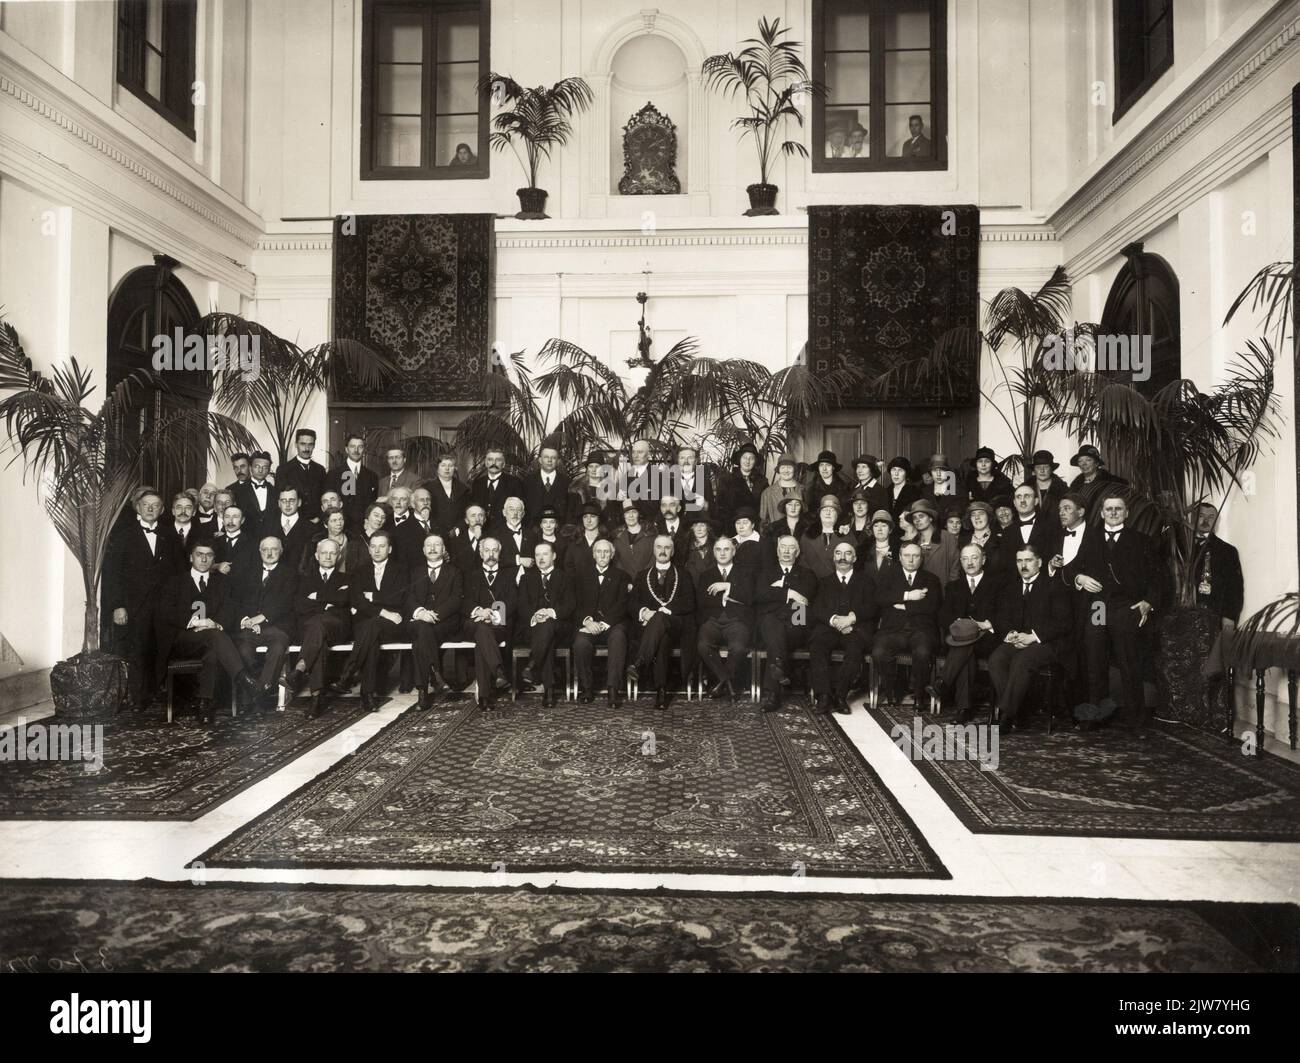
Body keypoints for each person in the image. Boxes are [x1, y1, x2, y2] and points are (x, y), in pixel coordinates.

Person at [1069, 494, 1158, 730]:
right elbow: (1072, 569)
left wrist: (1148, 602)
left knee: (1129, 662)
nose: (1114, 512)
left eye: (1118, 509)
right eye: (1109, 509)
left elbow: (1159, 578)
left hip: (1124, 607)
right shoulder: (1091, 538)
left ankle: (1136, 721)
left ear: (1127, 513)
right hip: (1098, 606)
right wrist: (1080, 577)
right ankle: (1094, 716)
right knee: (1094, 660)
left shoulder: (1142, 540)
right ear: (1101, 513)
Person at [156, 541, 257, 724]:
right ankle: (243, 679)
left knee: (212, 653)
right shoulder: (175, 581)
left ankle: (204, 705)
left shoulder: (223, 583)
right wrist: (198, 622)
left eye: (209, 555)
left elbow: (229, 610)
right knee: (214, 636)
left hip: (211, 640)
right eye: (199, 554)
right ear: (191, 557)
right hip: (182, 640)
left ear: (214, 559)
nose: (204, 558)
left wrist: (216, 623)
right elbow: (166, 611)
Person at [102, 489, 176, 710]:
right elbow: (113, 575)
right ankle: (138, 697)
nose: (151, 509)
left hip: (163, 606)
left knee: (161, 648)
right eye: (146, 505)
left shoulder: (169, 535)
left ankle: (157, 692)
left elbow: (179, 572)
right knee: (138, 650)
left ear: (162, 510)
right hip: (135, 606)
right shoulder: (124, 535)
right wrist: (118, 606)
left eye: (156, 505)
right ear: (138, 507)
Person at [988, 544, 1073, 733]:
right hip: (1018, 639)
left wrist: (1033, 637)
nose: (1023, 565)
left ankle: (1006, 715)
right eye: (1019, 561)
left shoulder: (1054, 585)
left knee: (1022, 660)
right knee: (997, 659)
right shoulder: (1011, 587)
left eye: (1028, 560)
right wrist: (1009, 632)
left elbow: (1064, 623)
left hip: (1046, 643)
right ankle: (1017, 711)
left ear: (1040, 562)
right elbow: (1002, 616)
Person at [329, 531, 407, 712]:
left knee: (370, 628)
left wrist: (373, 596)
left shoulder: (401, 569)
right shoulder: (359, 571)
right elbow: (357, 601)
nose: (377, 550)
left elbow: (400, 597)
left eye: (381, 546)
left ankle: (348, 675)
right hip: (371, 623)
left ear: (390, 549)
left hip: (393, 626)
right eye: (373, 546)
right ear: (369, 549)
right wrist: (383, 610)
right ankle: (367, 695)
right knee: (371, 634)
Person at [936, 543, 1004, 722]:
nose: (970, 562)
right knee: (965, 651)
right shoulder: (953, 586)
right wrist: (956, 623)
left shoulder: (998, 584)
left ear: (983, 559)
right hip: (960, 637)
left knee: (963, 648)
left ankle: (944, 685)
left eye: (974, 557)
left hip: (988, 637)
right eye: (965, 559)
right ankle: (963, 709)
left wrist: (987, 624)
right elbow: (943, 614)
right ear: (960, 562)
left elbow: (1007, 613)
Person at [627, 535, 696, 710]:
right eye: (659, 547)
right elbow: (632, 603)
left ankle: (640, 662)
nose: (663, 551)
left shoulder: (684, 574)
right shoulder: (643, 575)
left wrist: (664, 610)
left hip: (678, 626)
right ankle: (661, 690)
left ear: (672, 552)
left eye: (667, 548)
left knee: (660, 618)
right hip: (652, 630)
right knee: (662, 638)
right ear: (654, 550)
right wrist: (643, 612)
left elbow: (690, 602)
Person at [286, 538, 352, 717]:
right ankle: (316, 698)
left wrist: (317, 597)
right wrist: (328, 602)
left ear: (338, 556)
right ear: (316, 555)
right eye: (324, 553)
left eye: (332, 553)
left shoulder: (347, 578)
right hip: (312, 631)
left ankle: (300, 668)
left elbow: (345, 599)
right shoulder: (304, 579)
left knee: (318, 624)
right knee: (319, 637)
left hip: (338, 627)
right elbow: (299, 605)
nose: (328, 556)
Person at [871, 542, 942, 709]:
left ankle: (919, 696)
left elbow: (932, 606)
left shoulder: (931, 579)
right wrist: (909, 595)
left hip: (921, 629)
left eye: (915, 556)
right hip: (893, 630)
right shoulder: (887, 577)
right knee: (879, 652)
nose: (911, 560)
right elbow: (880, 599)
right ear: (900, 558)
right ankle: (892, 692)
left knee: (923, 652)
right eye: (907, 556)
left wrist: (903, 605)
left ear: (921, 558)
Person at [232, 536, 299, 710]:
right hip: (251, 627)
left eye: (274, 549)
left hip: (278, 626)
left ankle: (260, 692)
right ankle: (252, 692)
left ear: (281, 551)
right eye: (265, 550)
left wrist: (261, 618)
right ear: (260, 552)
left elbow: (286, 602)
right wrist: (247, 620)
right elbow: (238, 601)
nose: (269, 553)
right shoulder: (249, 573)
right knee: (243, 650)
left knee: (277, 649)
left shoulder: (290, 573)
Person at [809, 542, 876, 715]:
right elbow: (817, 608)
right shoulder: (824, 581)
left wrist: (851, 619)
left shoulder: (866, 580)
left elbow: (873, 606)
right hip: (829, 628)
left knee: (855, 649)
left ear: (854, 558)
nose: (842, 557)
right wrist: (834, 620)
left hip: (855, 628)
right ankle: (823, 696)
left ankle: (840, 696)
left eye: (847, 554)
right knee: (817, 646)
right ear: (833, 558)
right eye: (838, 553)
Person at [755, 535, 820, 713]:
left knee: (776, 634)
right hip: (771, 622)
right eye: (782, 547)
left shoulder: (807, 573)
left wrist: (781, 586)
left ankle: (774, 684)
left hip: (796, 622)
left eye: (791, 548)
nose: (786, 551)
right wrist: (791, 593)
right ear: (777, 551)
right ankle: (776, 683)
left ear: (797, 553)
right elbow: (760, 595)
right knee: (772, 625)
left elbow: (806, 593)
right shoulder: (766, 572)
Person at [406, 534, 464, 711]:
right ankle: (434, 673)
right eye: (428, 545)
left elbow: (456, 600)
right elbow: (409, 598)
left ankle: (423, 689)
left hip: (444, 622)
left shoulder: (455, 572)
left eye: (437, 545)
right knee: (423, 629)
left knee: (420, 641)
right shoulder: (415, 572)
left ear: (444, 550)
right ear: (423, 550)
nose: (432, 548)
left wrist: (434, 614)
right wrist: (421, 612)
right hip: (419, 620)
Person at [459, 537, 516, 708]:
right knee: (482, 629)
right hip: (473, 622)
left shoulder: (509, 575)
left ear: (499, 553)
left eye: (495, 550)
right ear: (480, 553)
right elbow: (463, 601)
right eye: (487, 550)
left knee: (482, 636)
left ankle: (484, 695)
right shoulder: (470, 576)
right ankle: (498, 670)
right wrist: (479, 611)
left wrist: (492, 615)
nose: (491, 554)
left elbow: (513, 602)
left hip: (499, 625)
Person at [572, 539, 630, 707]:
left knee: (619, 637)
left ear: (612, 555)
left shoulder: (622, 576)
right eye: (599, 551)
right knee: (580, 643)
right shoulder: (581, 576)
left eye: (606, 552)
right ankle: (587, 688)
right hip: (588, 624)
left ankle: (613, 689)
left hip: (612, 624)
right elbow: (575, 604)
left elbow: (623, 605)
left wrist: (605, 623)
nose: (603, 555)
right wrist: (588, 621)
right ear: (594, 554)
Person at [515, 542, 575, 705]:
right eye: (538, 555)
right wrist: (535, 616)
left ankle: (534, 664)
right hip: (533, 627)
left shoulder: (565, 577)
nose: (541, 558)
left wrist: (550, 613)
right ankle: (548, 689)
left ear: (554, 556)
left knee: (547, 626)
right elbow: (522, 605)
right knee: (546, 633)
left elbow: (570, 605)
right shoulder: (526, 578)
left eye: (545, 554)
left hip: (560, 627)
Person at [696, 537, 754, 699]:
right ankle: (727, 682)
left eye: (726, 549)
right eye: (718, 550)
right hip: (712, 620)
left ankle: (720, 682)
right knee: (703, 646)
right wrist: (732, 596)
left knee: (738, 648)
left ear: (734, 551)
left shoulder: (744, 573)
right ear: (714, 553)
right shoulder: (706, 575)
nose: (722, 553)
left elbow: (749, 598)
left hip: (736, 620)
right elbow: (702, 601)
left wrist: (728, 586)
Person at [1190, 503, 1244, 627]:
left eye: (1211, 517)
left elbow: (1234, 590)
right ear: (1193, 518)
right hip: (1181, 617)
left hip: (1213, 618)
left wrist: (1229, 619)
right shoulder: (1180, 547)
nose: (1206, 520)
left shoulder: (1227, 551)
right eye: (1201, 516)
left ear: (1217, 521)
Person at [324, 433, 379, 532]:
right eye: (352, 446)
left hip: (364, 529)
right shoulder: (333, 474)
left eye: (360, 447)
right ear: (346, 449)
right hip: (340, 528)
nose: (356, 450)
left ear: (364, 450)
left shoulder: (372, 476)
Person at [275, 429, 327, 522]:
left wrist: (319, 517)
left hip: (316, 523)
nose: (307, 448)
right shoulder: (283, 470)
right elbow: (279, 499)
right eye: (302, 444)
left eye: (310, 444)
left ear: (314, 446)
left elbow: (324, 497)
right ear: (296, 444)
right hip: (293, 523)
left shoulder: (320, 470)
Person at [908, 498, 960, 584]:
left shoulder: (947, 537)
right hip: (921, 592)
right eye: (914, 518)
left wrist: (951, 591)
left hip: (943, 590)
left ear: (931, 518)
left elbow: (955, 569)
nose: (917, 520)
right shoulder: (914, 542)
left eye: (921, 516)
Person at [802, 495, 854, 579]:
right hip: (812, 584)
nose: (828, 513)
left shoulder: (847, 535)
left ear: (837, 514)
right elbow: (803, 564)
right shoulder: (807, 535)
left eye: (832, 510)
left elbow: (853, 564)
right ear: (820, 514)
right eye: (825, 509)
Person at [470, 448, 525, 527]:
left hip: (504, 531)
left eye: (498, 460)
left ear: (503, 464)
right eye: (490, 459)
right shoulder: (477, 483)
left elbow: (519, 510)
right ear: (485, 463)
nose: (494, 463)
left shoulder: (515, 483)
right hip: (482, 530)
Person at [522, 444, 572, 524]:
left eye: (553, 458)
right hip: (533, 531)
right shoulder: (528, 481)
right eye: (546, 457)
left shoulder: (567, 482)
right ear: (540, 460)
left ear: (558, 461)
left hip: (559, 531)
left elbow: (569, 511)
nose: (549, 460)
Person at [1067, 444, 1127, 510]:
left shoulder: (1111, 483)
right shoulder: (1075, 486)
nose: (1084, 464)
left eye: (1088, 460)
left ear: (1096, 463)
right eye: (1080, 461)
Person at [232, 452, 278, 536]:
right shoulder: (237, 490)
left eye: (265, 467)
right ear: (250, 467)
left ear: (269, 470)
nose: (260, 470)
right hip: (246, 539)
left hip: (269, 538)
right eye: (257, 466)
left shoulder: (275, 491)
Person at [723, 444, 767, 530]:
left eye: (751, 458)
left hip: (756, 526)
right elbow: (721, 509)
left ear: (755, 461)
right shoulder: (727, 480)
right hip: (733, 526)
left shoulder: (762, 481)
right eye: (744, 458)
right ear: (739, 459)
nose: (747, 461)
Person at [272, 486, 315, 572]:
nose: (287, 504)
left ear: (299, 502)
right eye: (283, 501)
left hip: (300, 580)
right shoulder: (267, 526)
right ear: (279, 503)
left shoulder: (311, 528)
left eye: (292, 500)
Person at [492, 496, 536, 578]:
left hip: (529, 583)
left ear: (523, 514)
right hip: (505, 583)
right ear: (504, 512)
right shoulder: (495, 534)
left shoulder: (532, 535)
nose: (515, 513)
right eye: (511, 509)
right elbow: (492, 559)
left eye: (519, 510)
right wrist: (519, 560)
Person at [428, 455, 471, 534]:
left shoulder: (464, 488)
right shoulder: (427, 488)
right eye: (443, 465)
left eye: (450, 466)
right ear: (437, 468)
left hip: (458, 533)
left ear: (454, 468)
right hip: (435, 533)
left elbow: (468, 512)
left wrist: (458, 528)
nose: (447, 469)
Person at [612, 499, 655, 578]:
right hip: (625, 583)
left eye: (634, 512)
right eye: (627, 513)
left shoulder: (651, 536)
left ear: (638, 514)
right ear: (623, 515)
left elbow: (653, 560)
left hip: (646, 581)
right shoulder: (617, 538)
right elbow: (617, 563)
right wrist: (625, 580)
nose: (630, 516)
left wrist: (643, 579)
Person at [564, 500, 607, 576]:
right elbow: (569, 568)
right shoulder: (573, 542)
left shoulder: (607, 541)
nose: (589, 520)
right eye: (585, 517)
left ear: (599, 519)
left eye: (593, 516)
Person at [164, 491, 204, 570]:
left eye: (188, 508)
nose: (183, 511)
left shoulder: (203, 534)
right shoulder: (162, 533)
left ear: (194, 512)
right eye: (179, 507)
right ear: (173, 511)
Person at [759, 452, 803, 524]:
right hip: (776, 534)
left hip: (798, 533)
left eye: (789, 467)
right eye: (783, 467)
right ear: (778, 470)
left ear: (794, 469)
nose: (786, 471)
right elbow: (763, 521)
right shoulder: (767, 493)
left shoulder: (803, 490)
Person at [215, 506, 257, 580]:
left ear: (242, 520)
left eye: (235, 517)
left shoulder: (253, 543)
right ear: (223, 519)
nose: (230, 521)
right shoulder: (215, 541)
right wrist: (217, 566)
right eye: (227, 517)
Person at [1024, 450, 1068, 517]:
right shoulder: (1024, 488)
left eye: (1046, 467)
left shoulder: (1063, 489)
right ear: (1034, 470)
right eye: (1038, 467)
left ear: (1051, 469)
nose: (1042, 470)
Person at [449, 503, 490, 571]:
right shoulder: (456, 541)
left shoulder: (491, 539)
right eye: (473, 516)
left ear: (485, 519)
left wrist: (480, 538)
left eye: (480, 515)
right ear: (466, 520)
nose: (477, 519)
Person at [863, 510, 898, 578]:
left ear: (890, 530)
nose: (879, 529)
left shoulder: (898, 551)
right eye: (876, 526)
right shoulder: (864, 552)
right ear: (872, 530)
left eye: (884, 526)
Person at [886, 457, 921, 521]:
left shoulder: (914, 492)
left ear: (906, 473)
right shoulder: (886, 491)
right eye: (893, 469)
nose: (896, 474)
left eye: (900, 470)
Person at [731, 506, 764, 574]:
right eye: (738, 523)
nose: (741, 526)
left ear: (752, 525)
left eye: (745, 522)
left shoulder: (763, 543)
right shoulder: (731, 542)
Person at [681, 514, 716, 578]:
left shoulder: (716, 546)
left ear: (708, 527)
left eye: (702, 525)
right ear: (692, 528)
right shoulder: (685, 547)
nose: (699, 529)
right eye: (695, 525)